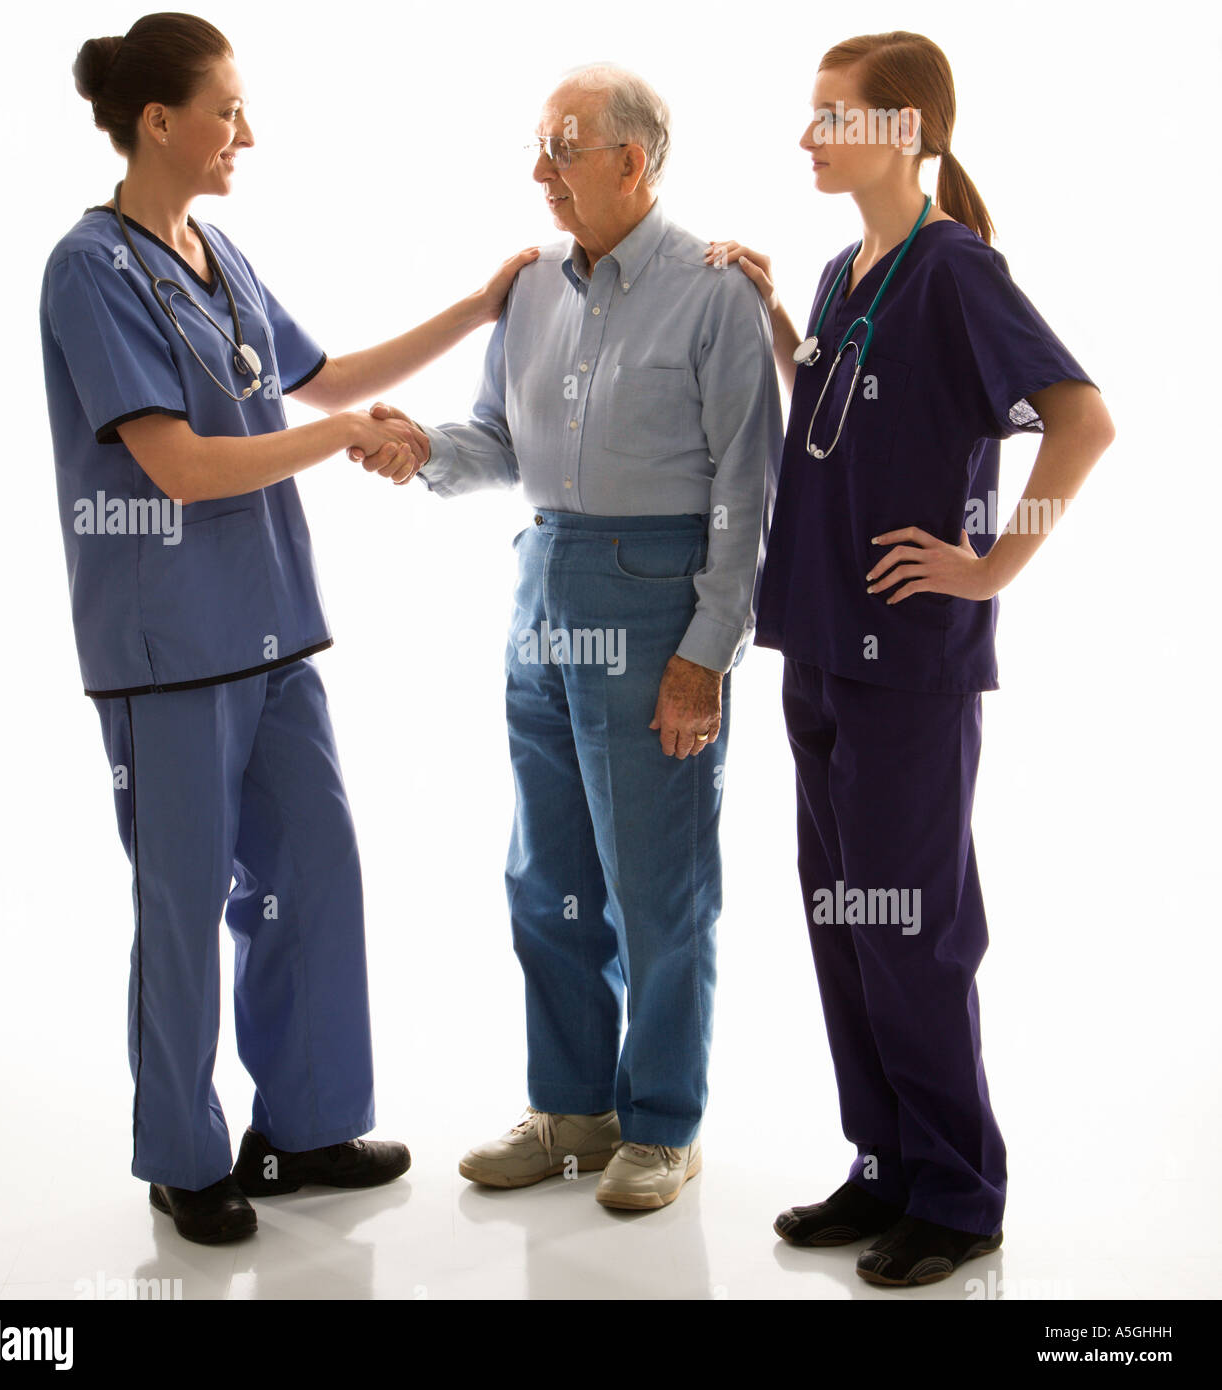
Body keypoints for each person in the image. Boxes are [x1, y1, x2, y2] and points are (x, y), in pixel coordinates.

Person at [39, 11, 536, 1245]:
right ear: (161, 121)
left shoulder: (221, 254)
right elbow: (181, 467)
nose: (244, 134)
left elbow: (328, 371)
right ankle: (183, 1155)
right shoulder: (89, 269)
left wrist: (480, 307)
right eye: (227, 111)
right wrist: (343, 437)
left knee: (312, 871)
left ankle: (306, 1126)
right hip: (168, 649)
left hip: (271, 635)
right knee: (184, 899)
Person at [705, 30, 1114, 1284]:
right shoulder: (847, 270)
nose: (808, 134)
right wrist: (778, 316)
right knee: (843, 921)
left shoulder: (953, 269)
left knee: (914, 928)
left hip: (907, 666)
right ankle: (882, 1165)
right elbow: (833, 405)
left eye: (832, 114)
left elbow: (1082, 420)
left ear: (901, 131)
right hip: (819, 642)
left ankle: (956, 1194)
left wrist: (989, 565)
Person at [363, 65, 782, 1212]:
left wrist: (707, 651)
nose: (538, 170)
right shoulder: (535, 286)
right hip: (542, 587)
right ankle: (575, 1109)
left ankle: (662, 1123)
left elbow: (749, 495)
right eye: (539, 146)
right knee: (543, 873)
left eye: (560, 147)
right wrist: (425, 450)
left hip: (655, 603)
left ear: (631, 162)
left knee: (658, 883)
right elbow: (500, 438)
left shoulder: (714, 294)